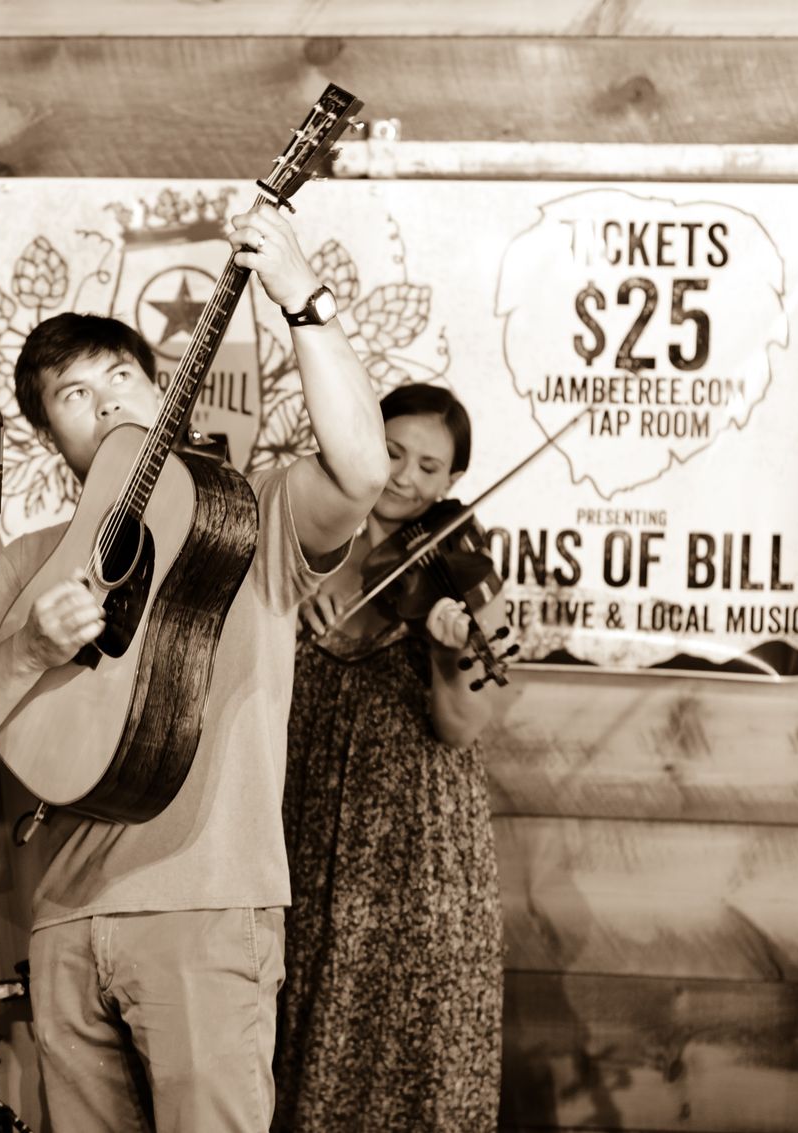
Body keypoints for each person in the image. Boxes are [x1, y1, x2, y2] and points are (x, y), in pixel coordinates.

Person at [0, 202, 391, 1133]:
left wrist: (303, 301)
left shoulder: (247, 513)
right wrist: (30, 647)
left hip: (207, 904)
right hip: (56, 918)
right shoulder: (28, 559)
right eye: (74, 395)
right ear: (49, 435)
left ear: (162, 387)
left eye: (122, 377)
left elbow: (365, 468)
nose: (107, 403)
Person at [273, 383, 508, 1133]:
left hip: (414, 836)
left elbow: (464, 725)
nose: (405, 477)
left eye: (429, 466)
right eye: (393, 451)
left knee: (414, 1026)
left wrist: (445, 655)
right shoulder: (303, 530)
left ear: (453, 482)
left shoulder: (462, 567)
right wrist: (294, 608)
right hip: (303, 816)